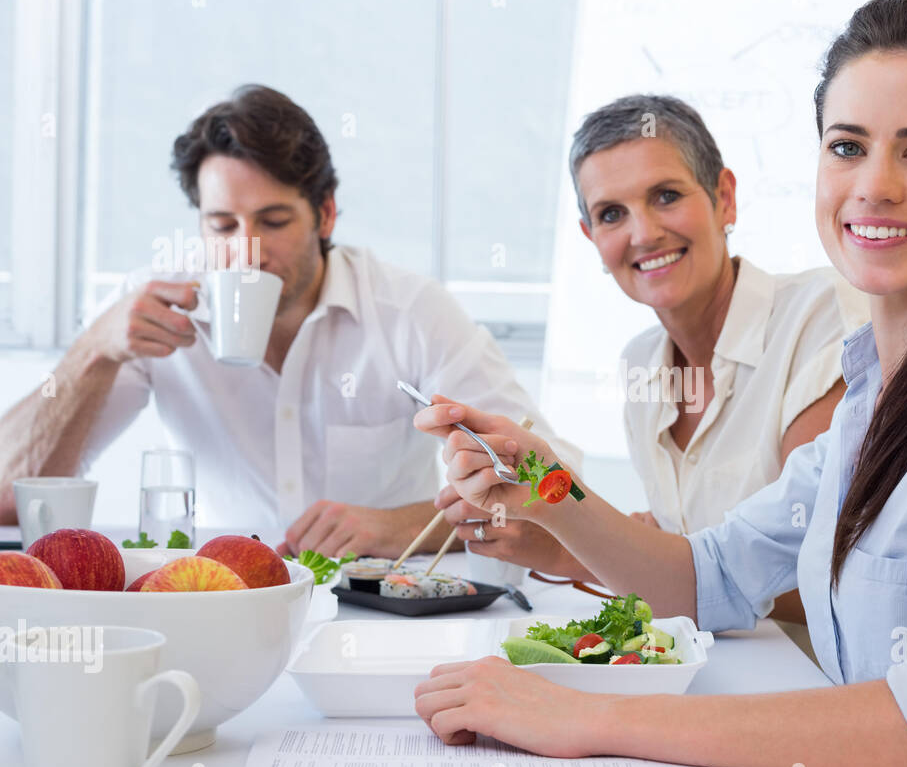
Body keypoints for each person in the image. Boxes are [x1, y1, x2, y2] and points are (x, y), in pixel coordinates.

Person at [411, 0, 907, 767]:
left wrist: (596, 718)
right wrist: (542, 485)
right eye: (848, 148)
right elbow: (709, 578)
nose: (875, 187)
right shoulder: (878, 387)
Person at [0, 85, 577, 556]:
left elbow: (557, 486)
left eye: (273, 221)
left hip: (378, 606)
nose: (246, 252)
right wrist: (95, 351)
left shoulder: (408, 313)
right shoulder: (155, 309)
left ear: (324, 214)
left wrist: (399, 526)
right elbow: (11, 498)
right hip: (219, 599)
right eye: (222, 227)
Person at [435, 94, 869, 642]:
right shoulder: (642, 363)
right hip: (710, 672)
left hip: (813, 681)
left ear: (724, 199)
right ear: (592, 238)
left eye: (665, 196)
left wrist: (571, 545)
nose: (642, 234)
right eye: (611, 214)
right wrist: (540, 517)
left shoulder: (822, 316)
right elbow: (673, 537)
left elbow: (814, 571)